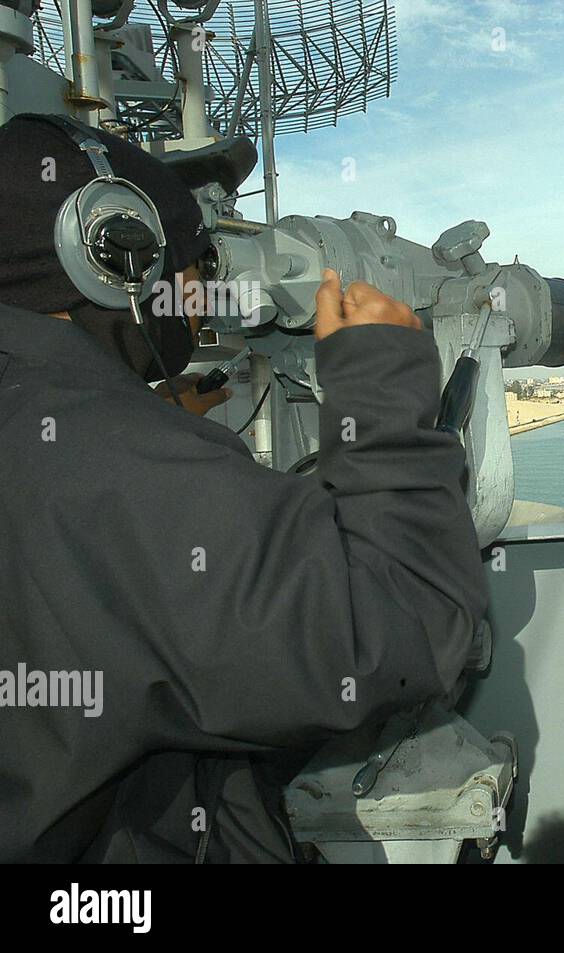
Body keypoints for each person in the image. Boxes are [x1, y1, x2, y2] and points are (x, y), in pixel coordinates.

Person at [0, 116, 488, 863]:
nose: (199, 293)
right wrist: (383, 386)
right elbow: (405, 620)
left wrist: (151, 424)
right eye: (192, 261)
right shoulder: (117, 468)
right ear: (112, 262)